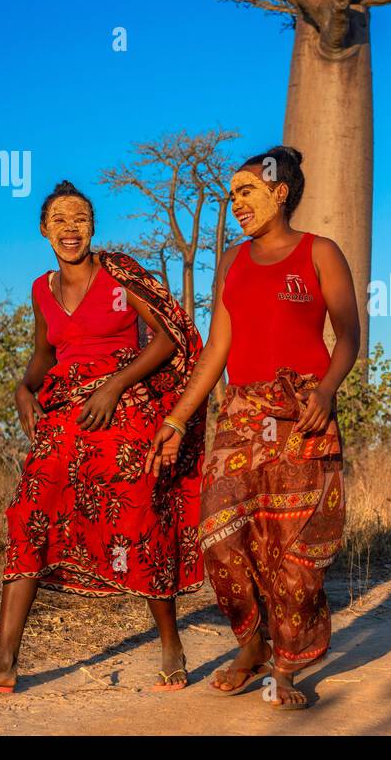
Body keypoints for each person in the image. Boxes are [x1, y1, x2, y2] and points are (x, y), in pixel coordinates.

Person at [0, 181, 208, 695]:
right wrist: (23, 389)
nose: (71, 229)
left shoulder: (117, 274)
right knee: (29, 514)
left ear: (93, 227)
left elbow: (170, 336)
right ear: (44, 230)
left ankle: (171, 645)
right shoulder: (41, 289)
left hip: (124, 409)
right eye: (60, 220)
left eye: (81, 219)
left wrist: (115, 385)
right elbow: (45, 357)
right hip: (65, 417)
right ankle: (3, 661)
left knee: (139, 513)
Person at [146, 146, 359, 710]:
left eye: (246, 191)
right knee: (217, 531)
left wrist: (327, 391)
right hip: (240, 416)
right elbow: (218, 346)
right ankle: (250, 640)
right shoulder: (234, 263)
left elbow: (349, 336)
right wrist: (177, 417)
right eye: (232, 194)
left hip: (301, 413)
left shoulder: (320, 253)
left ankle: (285, 666)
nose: (236, 203)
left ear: (279, 192)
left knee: (291, 551)